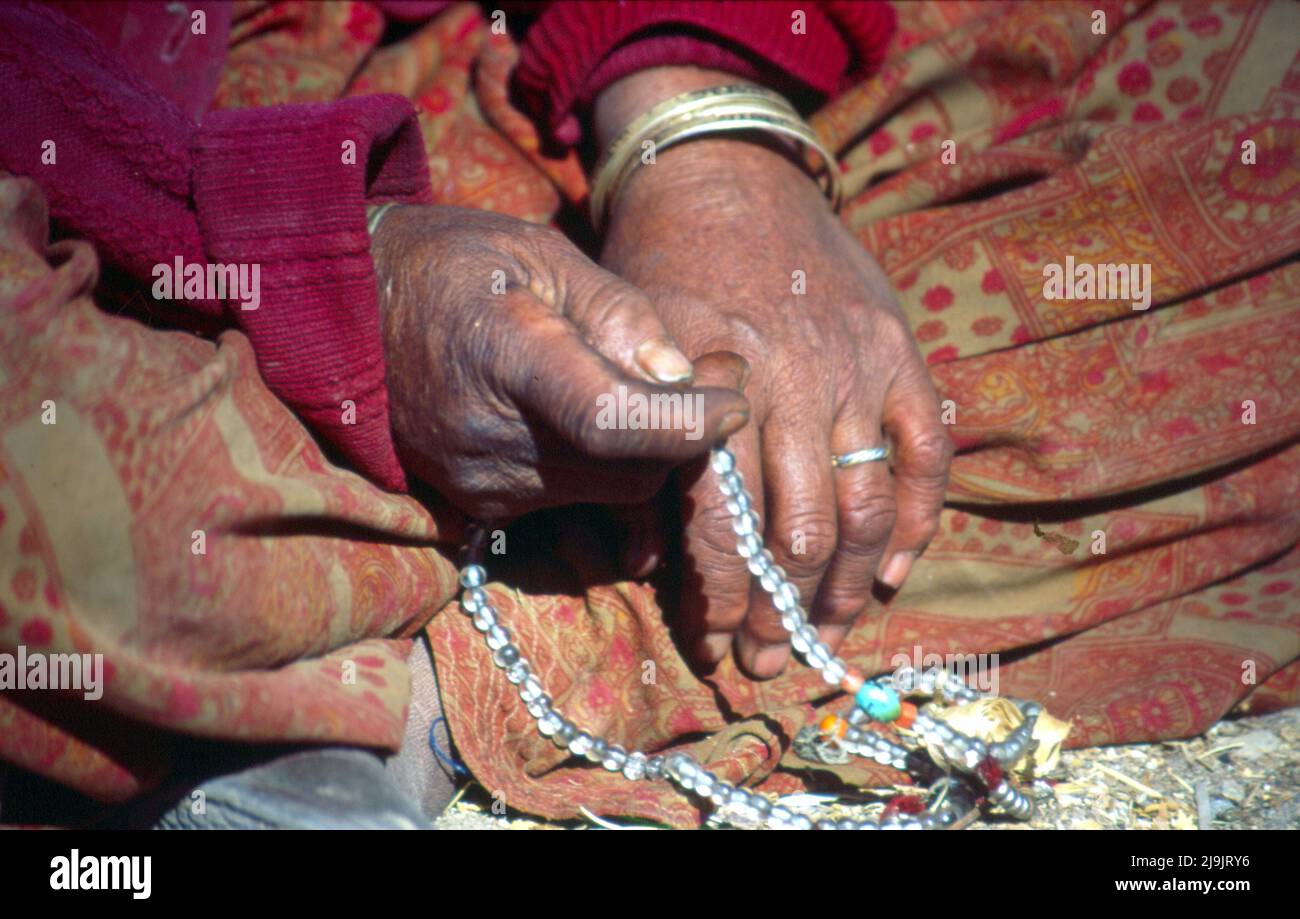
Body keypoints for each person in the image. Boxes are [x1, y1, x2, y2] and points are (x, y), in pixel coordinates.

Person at [0, 0, 1296, 829]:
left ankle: (328, 655)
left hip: (493, 62)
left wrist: (699, 128)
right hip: (130, 212)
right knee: (89, 489)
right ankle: (425, 667)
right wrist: (345, 268)